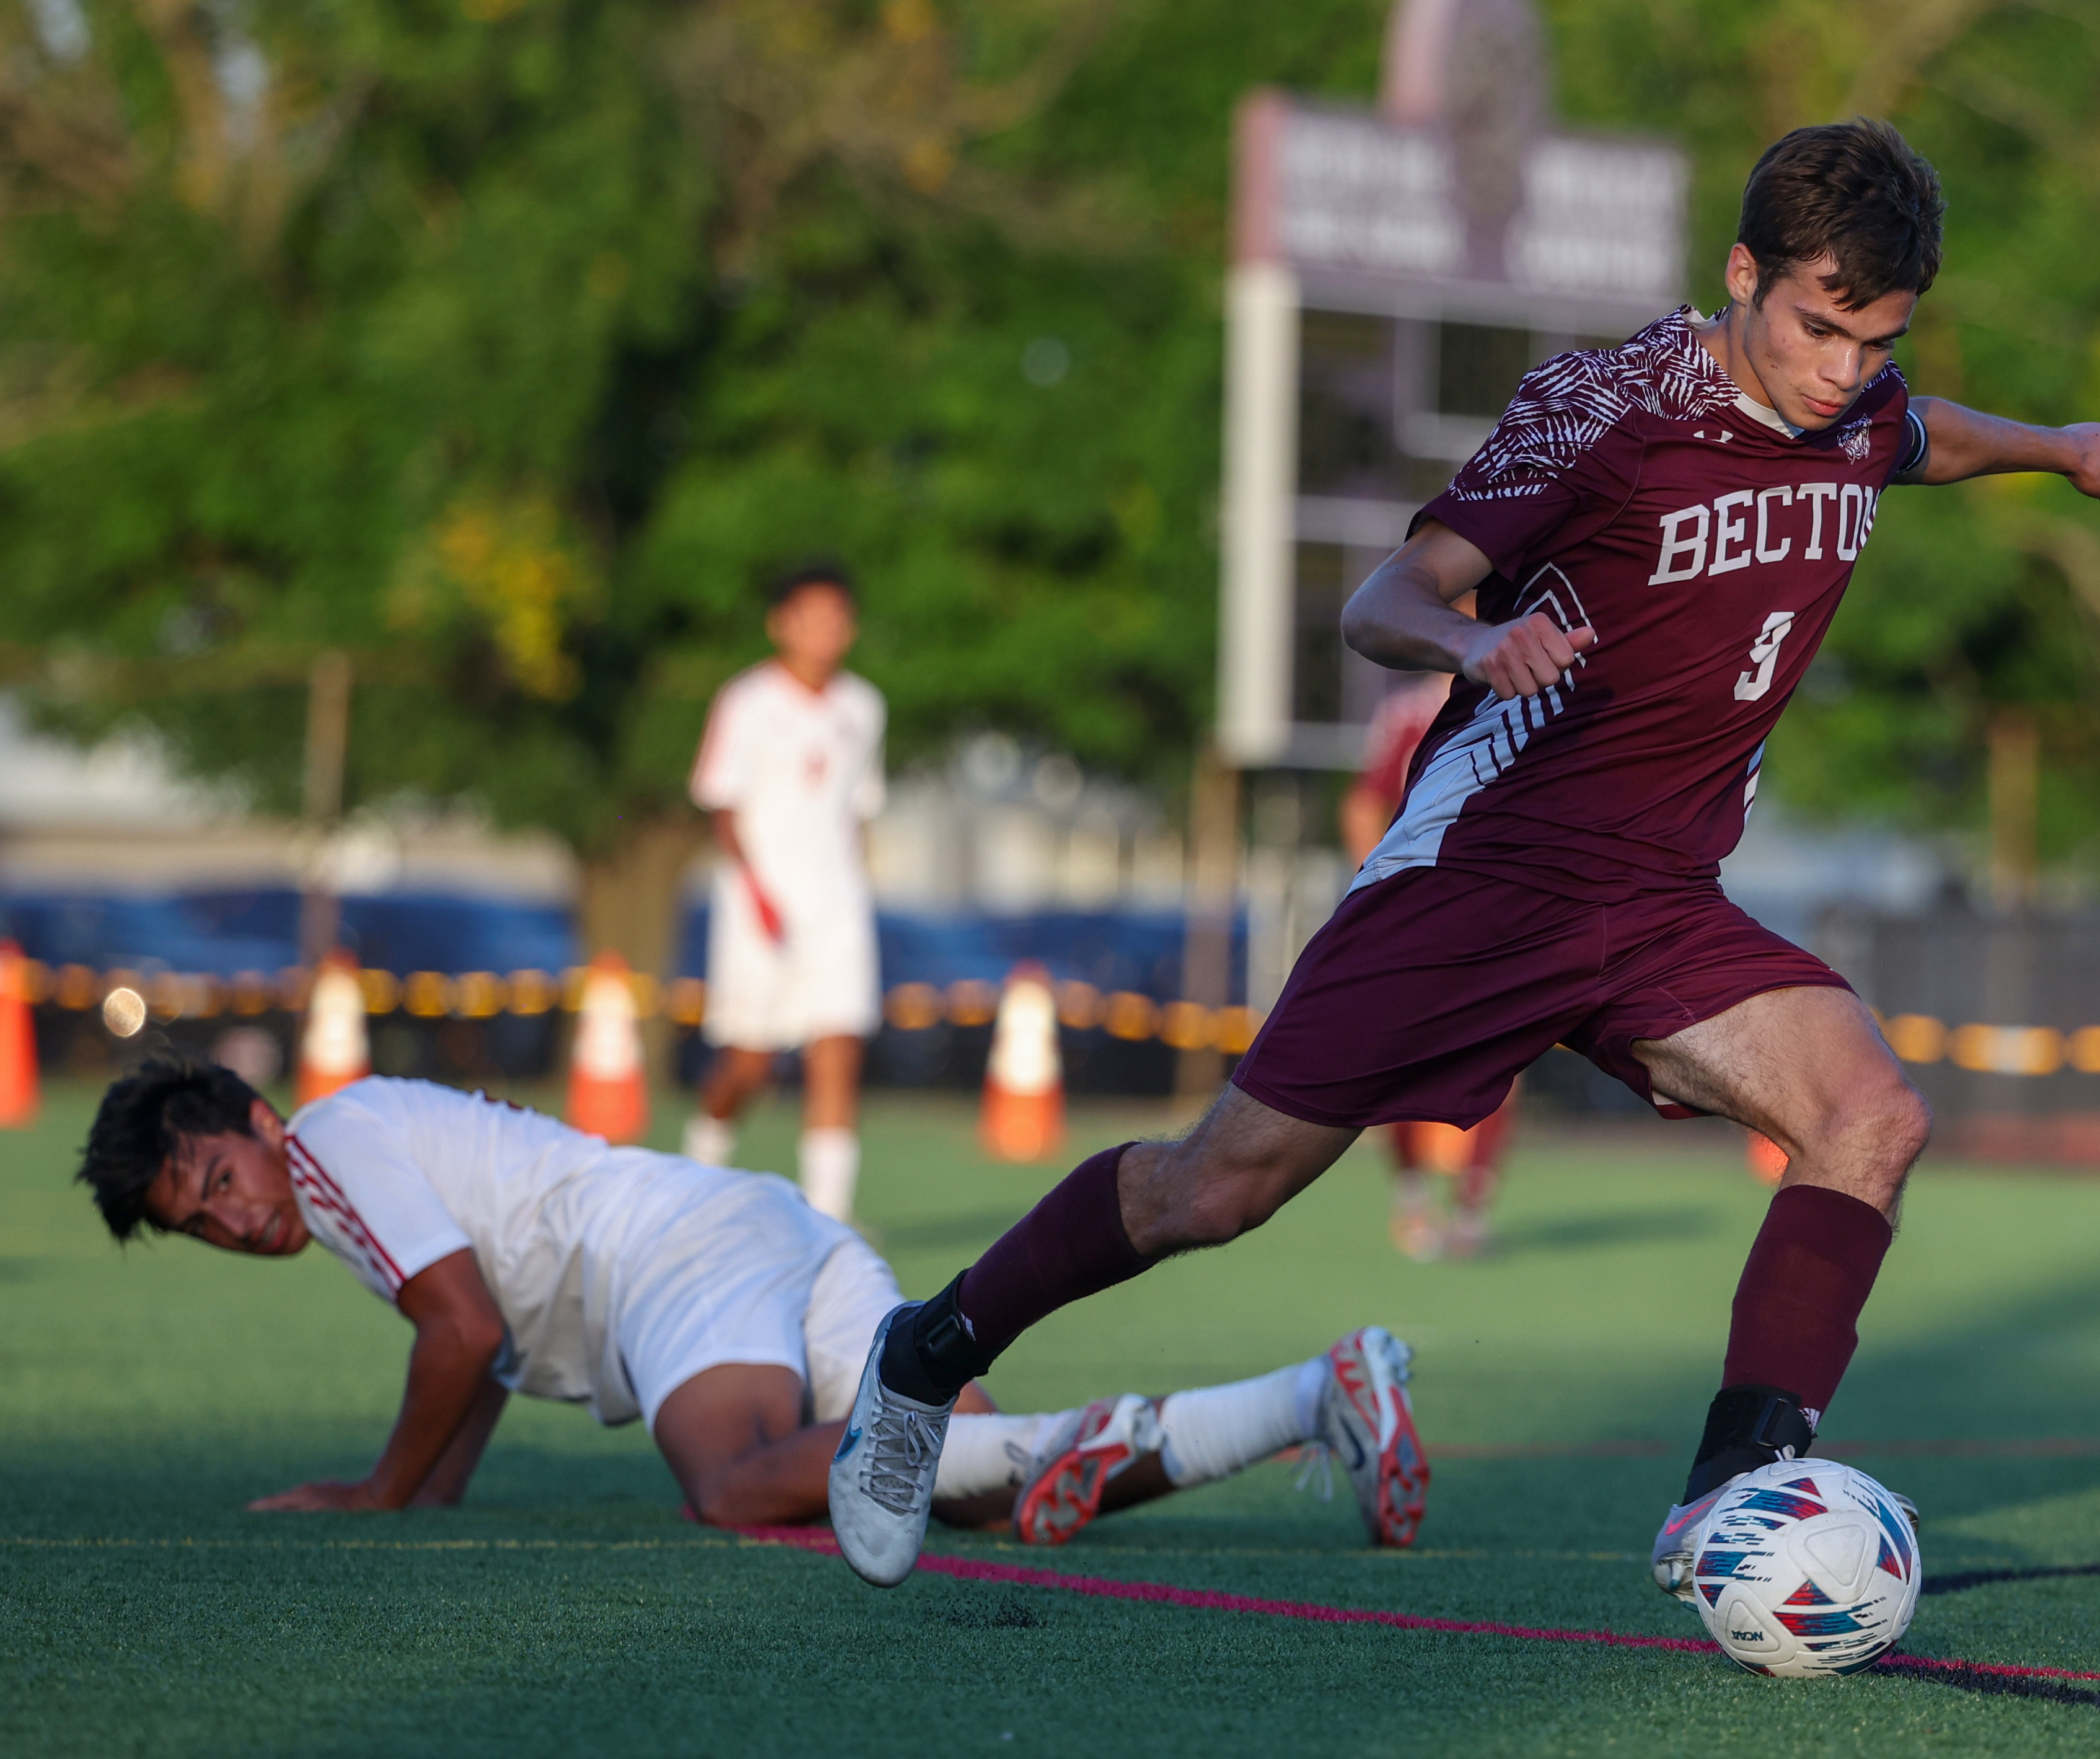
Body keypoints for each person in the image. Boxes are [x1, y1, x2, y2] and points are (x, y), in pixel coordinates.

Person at [824, 118, 2100, 1595]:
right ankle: (922, 1355)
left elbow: (1917, 433)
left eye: (1875, 341)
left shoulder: (1857, 406)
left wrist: (2057, 449)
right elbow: (1382, 600)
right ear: (1741, 273)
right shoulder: (1604, 408)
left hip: (1658, 900)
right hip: (1486, 874)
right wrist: (1472, 641)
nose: (1844, 371)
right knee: (1217, 1190)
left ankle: (1729, 1499)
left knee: (1871, 1116)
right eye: (1818, 330)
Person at [73, 1058, 1429, 1551]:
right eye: (198, 1222)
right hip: (773, 1230)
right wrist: (433, 1487)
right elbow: (477, 1338)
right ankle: (1319, 1397)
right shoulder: (344, 1165)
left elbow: (466, 1328)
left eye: (216, 1177)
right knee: (976, 1492)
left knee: (730, 1485)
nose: (231, 1217)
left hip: (677, 1250)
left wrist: (378, 1495)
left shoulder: (327, 1141)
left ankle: (1055, 1436)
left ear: (262, 1122)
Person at [682, 560, 882, 1221]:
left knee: (837, 1049)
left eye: (836, 619)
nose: (825, 631)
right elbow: (722, 803)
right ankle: (697, 1172)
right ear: (782, 624)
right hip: (760, 904)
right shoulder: (747, 701)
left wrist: (858, 889)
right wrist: (757, 889)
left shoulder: (863, 707)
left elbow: (859, 809)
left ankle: (829, 1217)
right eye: (810, 618)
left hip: (837, 906)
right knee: (750, 1064)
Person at [1342, 673, 1519, 1261]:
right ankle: (1415, 1200)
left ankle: (1469, 1210)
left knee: (1500, 1059)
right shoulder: (1412, 711)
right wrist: (1380, 888)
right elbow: (1363, 804)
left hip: (1492, 908)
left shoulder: (1531, 694)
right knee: (1398, 1061)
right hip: (1421, 907)